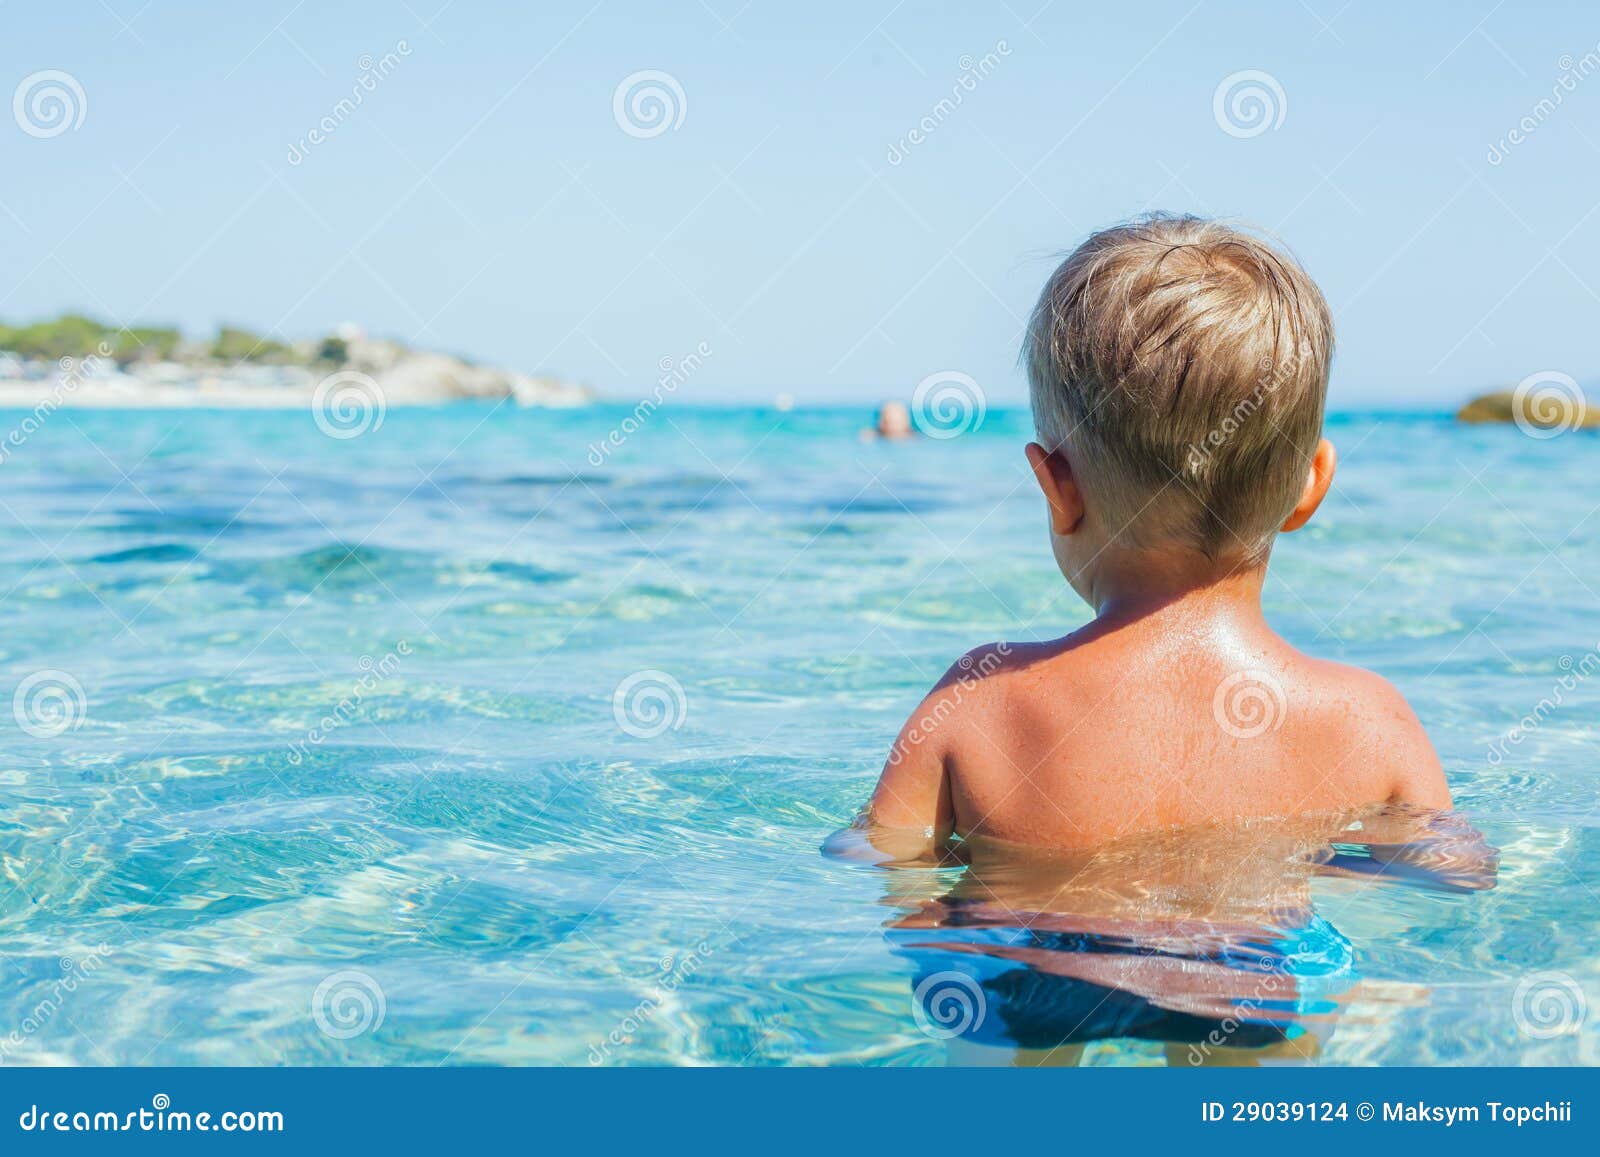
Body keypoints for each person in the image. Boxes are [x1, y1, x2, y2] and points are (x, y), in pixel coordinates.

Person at [859, 214, 1450, 854]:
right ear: (1311, 486)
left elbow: (880, 869)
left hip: (1046, 954)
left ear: (1057, 489)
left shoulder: (979, 702)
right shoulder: (1367, 722)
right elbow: (1459, 877)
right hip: (1274, 954)